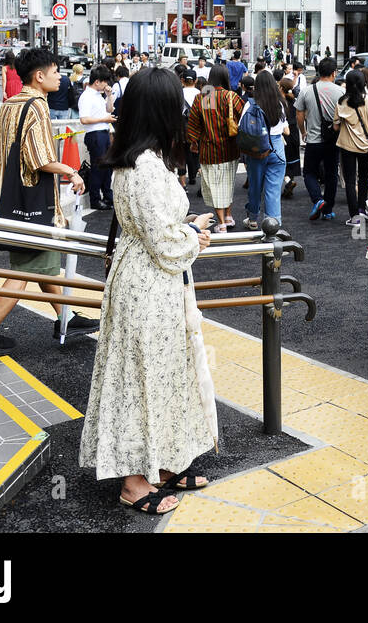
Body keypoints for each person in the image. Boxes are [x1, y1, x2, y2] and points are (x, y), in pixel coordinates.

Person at [79, 66, 218, 515]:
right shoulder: (144, 166)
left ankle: (161, 463)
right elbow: (162, 240)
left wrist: (185, 229)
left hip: (145, 280)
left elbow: (153, 228)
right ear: (160, 111)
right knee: (144, 377)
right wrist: (193, 238)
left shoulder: (140, 159)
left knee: (156, 374)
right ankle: (135, 481)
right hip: (149, 284)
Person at [0, 48, 96, 360]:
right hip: (35, 203)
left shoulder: (11, 103)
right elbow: (39, 158)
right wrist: (70, 171)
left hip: (13, 199)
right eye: (55, 72)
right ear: (39, 76)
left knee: (43, 266)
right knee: (26, 270)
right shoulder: (37, 105)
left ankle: (67, 318)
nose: (60, 77)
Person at [187, 64, 245, 232]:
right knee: (228, 183)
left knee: (215, 186)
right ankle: (228, 216)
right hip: (231, 149)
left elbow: (195, 123)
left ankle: (221, 223)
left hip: (209, 149)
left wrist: (193, 141)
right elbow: (243, 119)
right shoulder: (231, 96)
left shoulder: (206, 94)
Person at [295, 57, 345, 222]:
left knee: (309, 172)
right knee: (331, 175)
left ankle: (318, 199)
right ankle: (328, 210)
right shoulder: (341, 92)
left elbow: (299, 114)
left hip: (314, 140)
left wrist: (303, 131)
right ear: (333, 73)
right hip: (333, 140)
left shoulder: (307, 91)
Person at [240, 71, 289, 228]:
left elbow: (242, 126)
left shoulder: (251, 104)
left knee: (255, 185)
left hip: (258, 149)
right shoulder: (280, 103)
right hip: (277, 148)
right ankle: (273, 227)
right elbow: (285, 128)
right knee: (273, 190)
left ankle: (253, 218)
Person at [334, 69, 368, 227]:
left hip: (347, 146)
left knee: (350, 181)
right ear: (363, 83)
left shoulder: (341, 102)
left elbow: (336, 127)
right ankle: (362, 210)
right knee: (364, 178)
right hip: (366, 146)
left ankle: (355, 218)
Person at [78, 65, 117, 211]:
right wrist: (103, 119)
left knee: (107, 167)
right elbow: (84, 119)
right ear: (97, 82)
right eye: (105, 82)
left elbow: (110, 109)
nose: (106, 85)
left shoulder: (98, 95)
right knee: (98, 167)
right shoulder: (86, 96)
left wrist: (109, 96)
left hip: (104, 132)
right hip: (95, 134)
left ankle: (108, 196)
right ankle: (95, 199)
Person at [175, 70, 202, 188]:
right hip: (197, 129)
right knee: (197, 155)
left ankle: (183, 183)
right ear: (196, 81)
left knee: (182, 155)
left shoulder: (178, 94)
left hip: (181, 129)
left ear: (182, 80)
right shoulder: (203, 94)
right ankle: (197, 180)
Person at [278, 77, 302, 199]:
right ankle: (289, 184)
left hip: (283, 133)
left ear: (281, 88)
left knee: (282, 161)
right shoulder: (293, 101)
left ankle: (287, 182)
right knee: (292, 159)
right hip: (294, 132)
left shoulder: (278, 101)